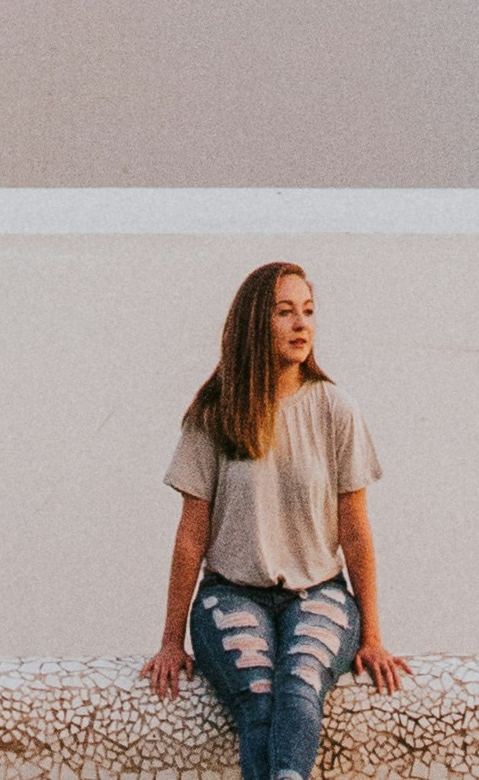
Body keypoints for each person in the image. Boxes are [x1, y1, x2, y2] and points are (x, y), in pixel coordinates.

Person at [144, 256, 405, 768]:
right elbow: (191, 537)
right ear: (254, 324)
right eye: (285, 312)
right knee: (259, 698)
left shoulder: (335, 409)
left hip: (320, 593)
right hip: (231, 594)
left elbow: (355, 531)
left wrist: (373, 637)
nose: (301, 323)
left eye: (308, 311)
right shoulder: (215, 413)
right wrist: (171, 642)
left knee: (300, 688)